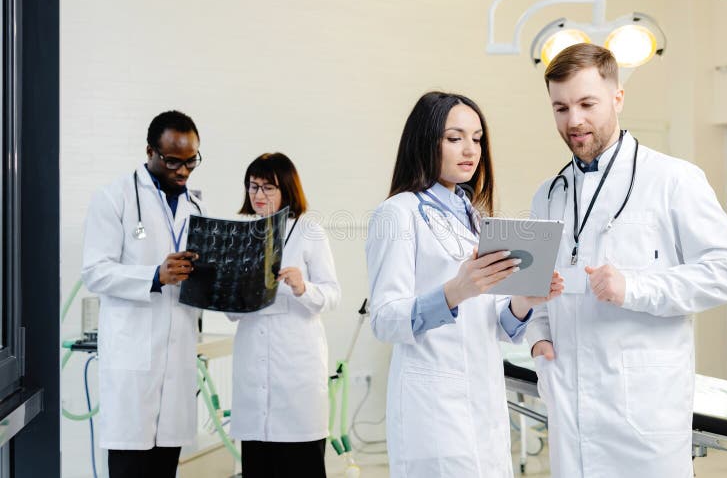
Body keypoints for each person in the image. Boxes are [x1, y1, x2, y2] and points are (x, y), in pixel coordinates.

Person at [527, 43, 727, 478]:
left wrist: (635, 288)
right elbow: (536, 289)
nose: (574, 120)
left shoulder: (673, 179)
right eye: (560, 108)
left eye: (587, 103)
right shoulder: (548, 194)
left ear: (617, 98)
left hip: (645, 415)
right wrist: (538, 337)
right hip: (570, 409)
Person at [366, 91, 563, 477]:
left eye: (477, 138)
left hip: (484, 396)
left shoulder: (473, 216)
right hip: (433, 405)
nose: (469, 149)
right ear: (425, 141)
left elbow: (495, 325)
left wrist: (524, 298)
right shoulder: (398, 214)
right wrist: (455, 292)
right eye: (454, 138)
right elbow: (385, 319)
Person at [82, 110, 206, 477]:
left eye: (191, 162)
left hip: (177, 357)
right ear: (150, 152)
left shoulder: (196, 207)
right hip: (133, 361)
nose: (182, 171)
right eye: (172, 161)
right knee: (130, 466)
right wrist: (155, 275)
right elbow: (95, 272)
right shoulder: (114, 198)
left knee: (166, 466)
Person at [229, 152, 341, 478]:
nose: (259, 196)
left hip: (296, 362)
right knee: (257, 457)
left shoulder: (309, 231)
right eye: (253, 187)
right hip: (252, 354)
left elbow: (332, 295)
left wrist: (302, 286)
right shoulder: (242, 233)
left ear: (287, 189)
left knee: (300, 458)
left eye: (268, 187)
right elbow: (232, 311)